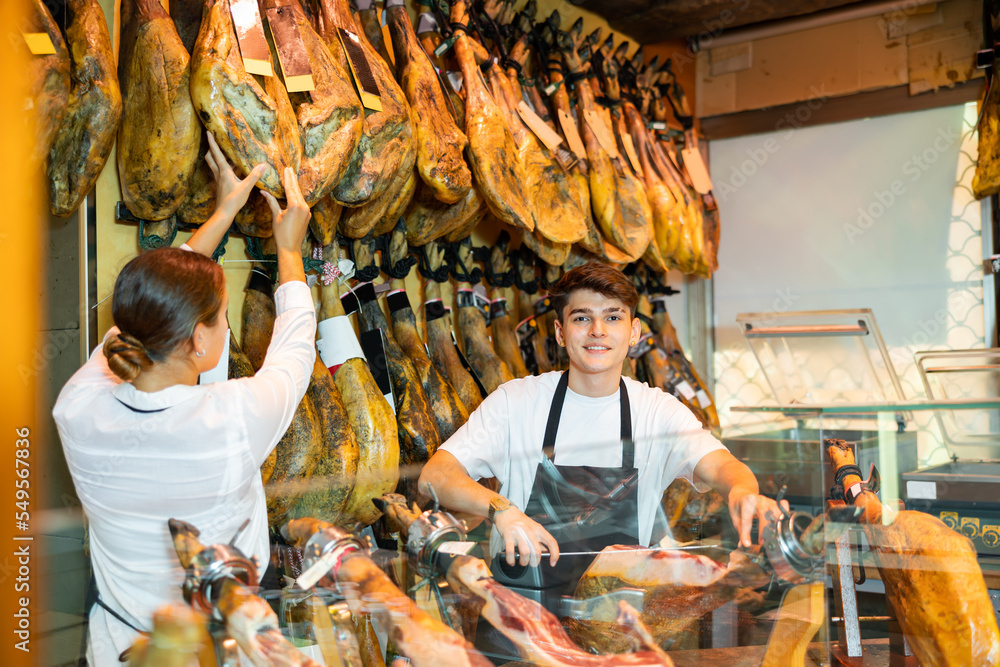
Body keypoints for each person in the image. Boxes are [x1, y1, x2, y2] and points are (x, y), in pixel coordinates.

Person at [53, 135, 313, 665]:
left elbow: (151, 306)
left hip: (120, 647)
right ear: (198, 340)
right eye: (219, 317)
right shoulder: (232, 418)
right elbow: (295, 351)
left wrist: (222, 214)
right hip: (216, 648)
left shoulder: (77, 407)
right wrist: (289, 248)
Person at [419, 262, 787, 569]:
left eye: (613, 317)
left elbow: (724, 467)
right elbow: (434, 476)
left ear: (635, 332)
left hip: (618, 616)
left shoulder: (657, 412)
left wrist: (742, 491)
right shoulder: (516, 402)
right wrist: (502, 510)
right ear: (560, 333)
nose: (598, 331)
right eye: (582, 318)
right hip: (522, 613)